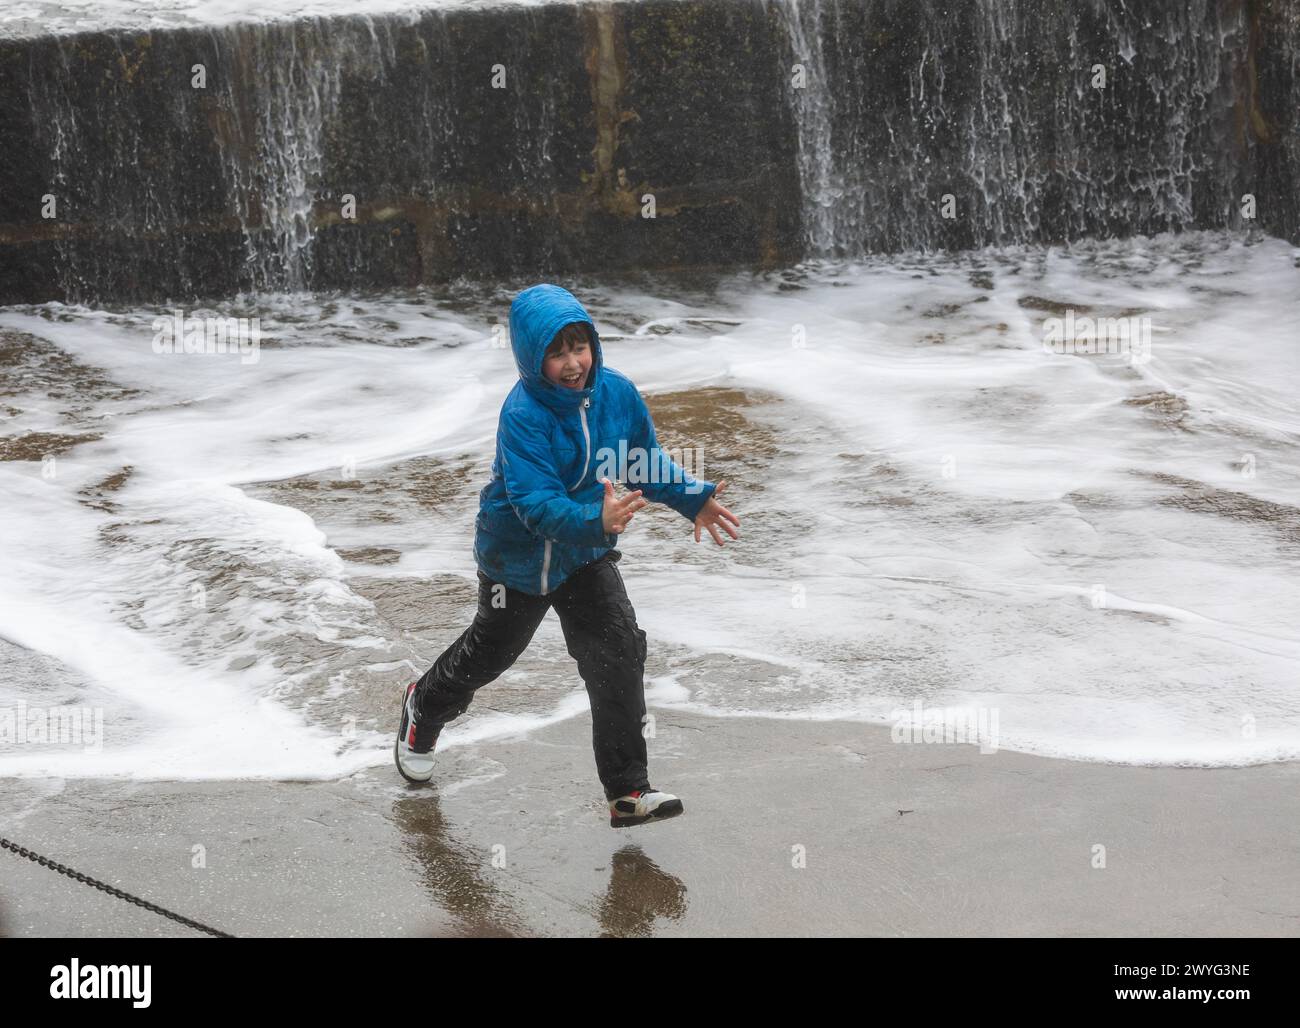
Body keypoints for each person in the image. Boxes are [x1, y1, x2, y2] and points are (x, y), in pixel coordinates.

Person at [395, 283, 740, 827]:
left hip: (586, 557)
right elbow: (533, 504)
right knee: (491, 656)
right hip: (518, 560)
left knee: (618, 653)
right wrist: (594, 519)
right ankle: (424, 706)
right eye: (556, 353)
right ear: (533, 359)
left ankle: (628, 792)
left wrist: (692, 499)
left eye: (579, 347)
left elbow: (643, 462)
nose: (572, 363)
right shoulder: (523, 415)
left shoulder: (617, 395)